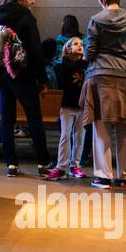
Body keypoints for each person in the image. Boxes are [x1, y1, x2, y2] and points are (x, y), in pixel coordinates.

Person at [81, 0, 126, 189]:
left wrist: (88, 58)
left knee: (101, 126)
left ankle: (103, 176)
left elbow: (90, 51)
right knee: (125, 127)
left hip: (101, 76)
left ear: (103, 0)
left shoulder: (96, 20)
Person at [0, 0, 50, 177]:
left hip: (0, 73)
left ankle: (11, 164)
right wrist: (42, 80)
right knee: (34, 117)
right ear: (19, 0)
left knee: (7, 118)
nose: (33, 2)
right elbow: (36, 50)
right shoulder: (25, 17)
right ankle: (43, 163)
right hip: (22, 74)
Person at [46, 37, 87, 181]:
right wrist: (81, 61)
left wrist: (83, 61)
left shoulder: (85, 64)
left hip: (82, 105)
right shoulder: (62, 65)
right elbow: (62, 78)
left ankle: (75, 165)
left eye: (81, 44)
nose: (80, 46)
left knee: (79, 137)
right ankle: (61, 166)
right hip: (67, 105)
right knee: (65, 136)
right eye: (76, 44)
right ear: (68, 49)